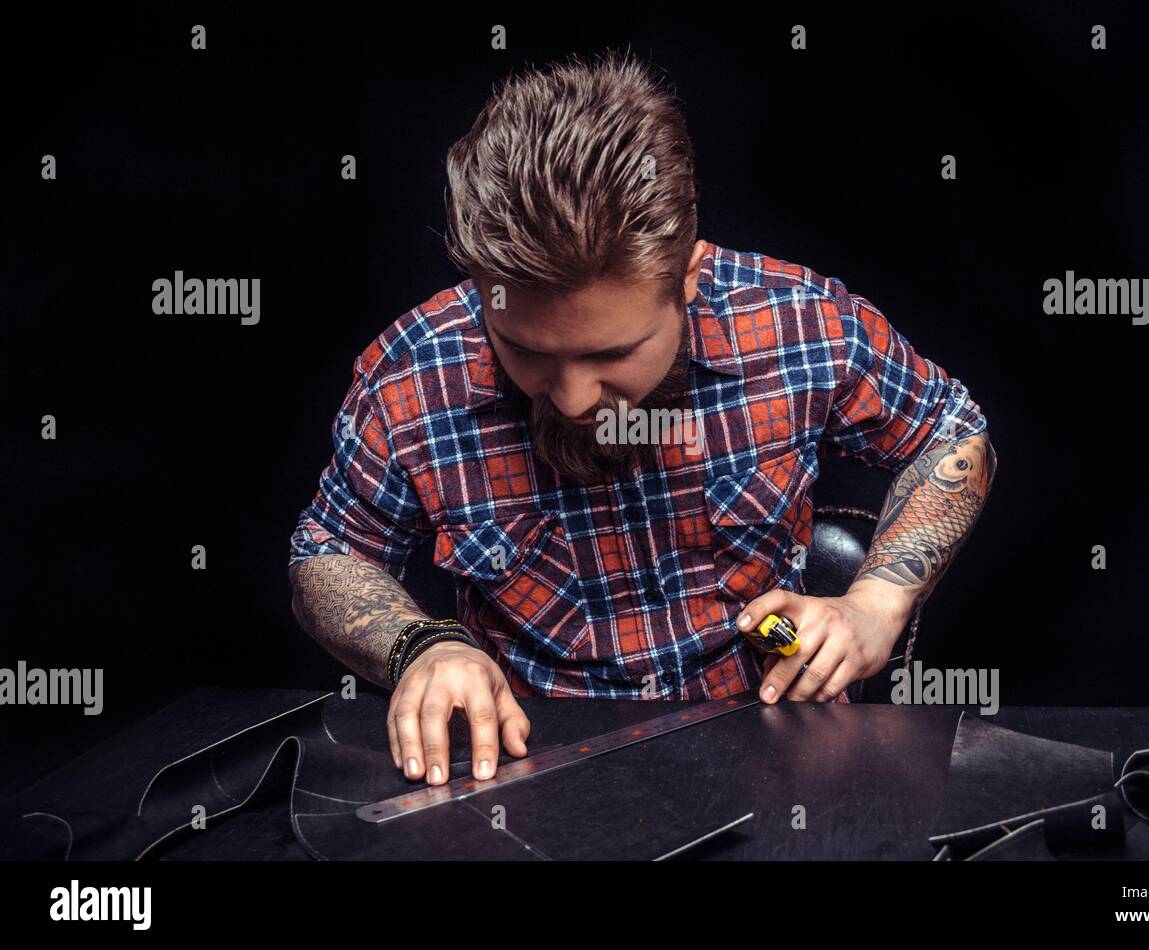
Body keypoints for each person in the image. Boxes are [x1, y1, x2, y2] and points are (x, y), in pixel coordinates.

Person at [288, 51, 997, 788]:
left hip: (778, 753)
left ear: (688, 276)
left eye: (612, 353)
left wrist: (875, 605)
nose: (569, 397)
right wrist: (422, 646)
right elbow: (327, 550)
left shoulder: (800, 327)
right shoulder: (414, 372)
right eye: (525, 351)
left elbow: (952, 430)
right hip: (529, 770)